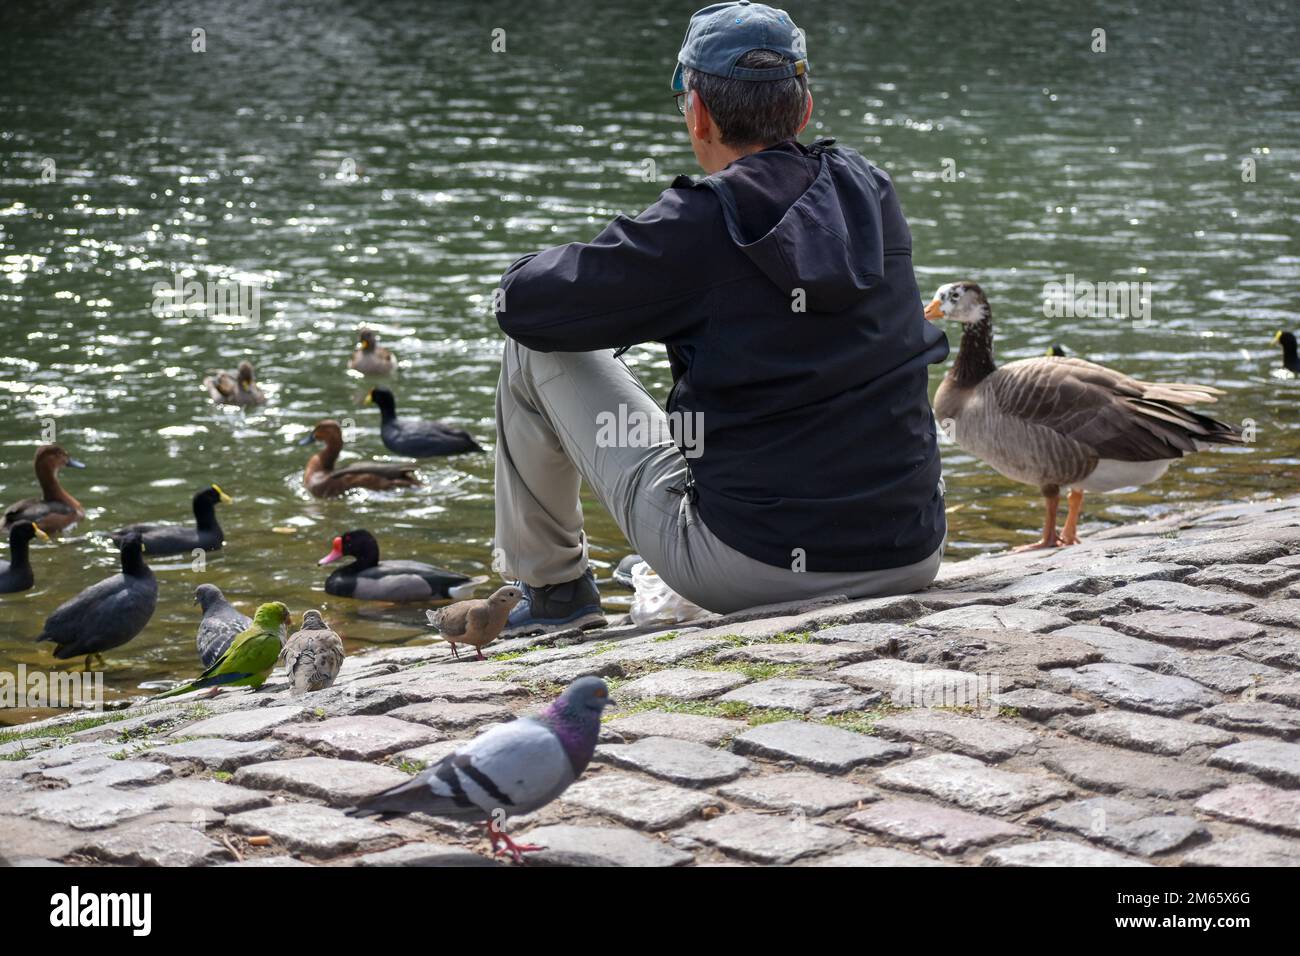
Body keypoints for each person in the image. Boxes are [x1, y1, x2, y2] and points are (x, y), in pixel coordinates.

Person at [492, 1, 949, 634]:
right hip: (912, 550)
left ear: (698, 112)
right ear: (805, 108)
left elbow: (523, 306)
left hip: (755, 565)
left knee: (534, 348)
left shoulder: (699, 223)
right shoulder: (869, 188)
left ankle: (555, 594)